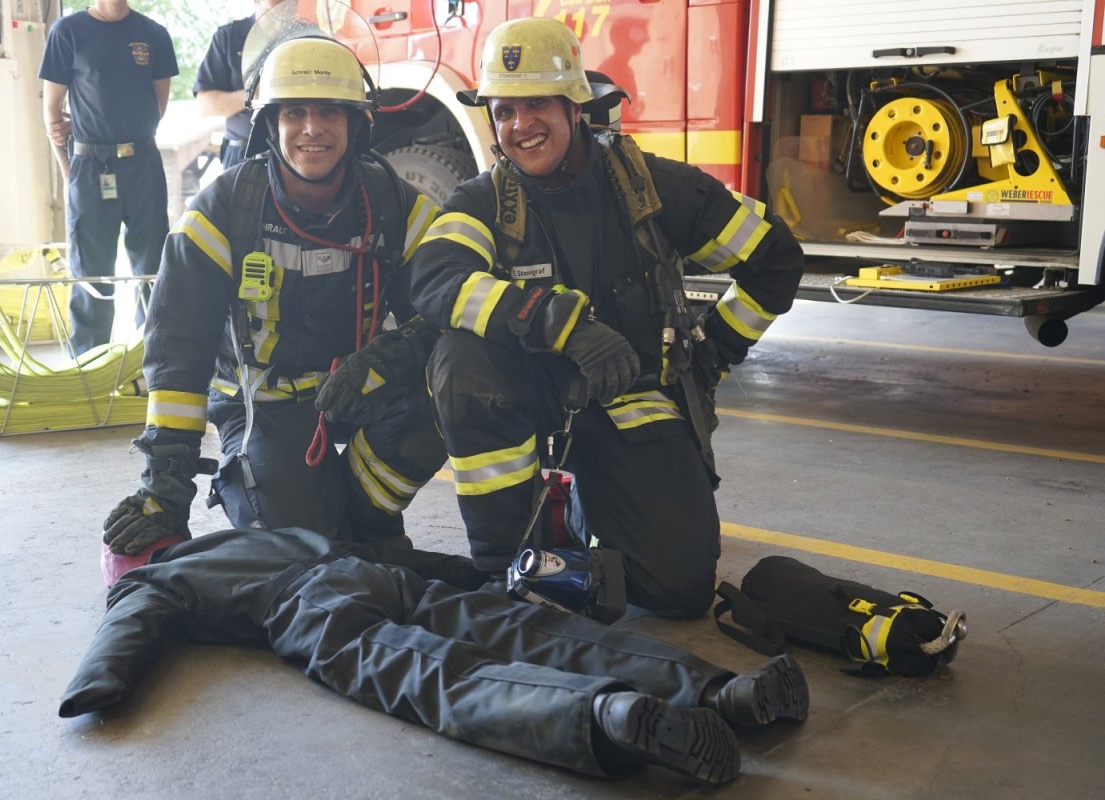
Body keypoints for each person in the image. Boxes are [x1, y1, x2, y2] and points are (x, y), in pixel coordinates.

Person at [410, 18, 805, 617]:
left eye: (537, 104)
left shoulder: (654, 188)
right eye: (504, 110)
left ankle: (583, 516)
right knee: (460, 363)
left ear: (576, 107)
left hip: (631, 396)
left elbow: (775, 258)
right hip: (530, 391)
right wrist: (557, 322)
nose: (520, 125)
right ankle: (505, 561)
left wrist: (714, 352)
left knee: (679, 591)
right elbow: (435, 278)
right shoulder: (482, 202)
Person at [60, 526, 809, 786]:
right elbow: (384, 550)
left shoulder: (153, 581)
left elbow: (128, 627)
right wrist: (472, 575)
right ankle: (720, 692)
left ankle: (603, 716)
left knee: (438, 675)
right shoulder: (254, 533)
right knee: (529, 631)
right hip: (373, 575)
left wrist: (98, 687)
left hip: (307, 611)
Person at [100, 36, 448, 572]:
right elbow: (177, 353)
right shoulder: (222, 213)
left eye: (330, 112)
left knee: (454, 385)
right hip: (262, 404)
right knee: (297, 553)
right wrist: (165, 485)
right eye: (295, 113)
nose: (312, 128)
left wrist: (396, 353)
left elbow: (449, 297)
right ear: (269, 125)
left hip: (361, 389)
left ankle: (367, 519)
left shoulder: (392, 204)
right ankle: (321, 517)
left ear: (357, 124)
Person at [38, 0, 178, 356]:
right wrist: (69, 171)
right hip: (89, 165)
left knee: (153, 269)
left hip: (143, 162)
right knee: (91, 271)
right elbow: (52, 112)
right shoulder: (67, 31)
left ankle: (150, 362)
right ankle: (88, 363)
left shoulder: (154, 34)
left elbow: (157, 109)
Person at [194, 0, 290, 169]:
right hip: (241, 153)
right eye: (274, 7)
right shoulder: (228, 37)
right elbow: (206, 105)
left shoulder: (308, 36)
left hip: (295, 151)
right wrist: (257, 92)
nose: (282, 10)